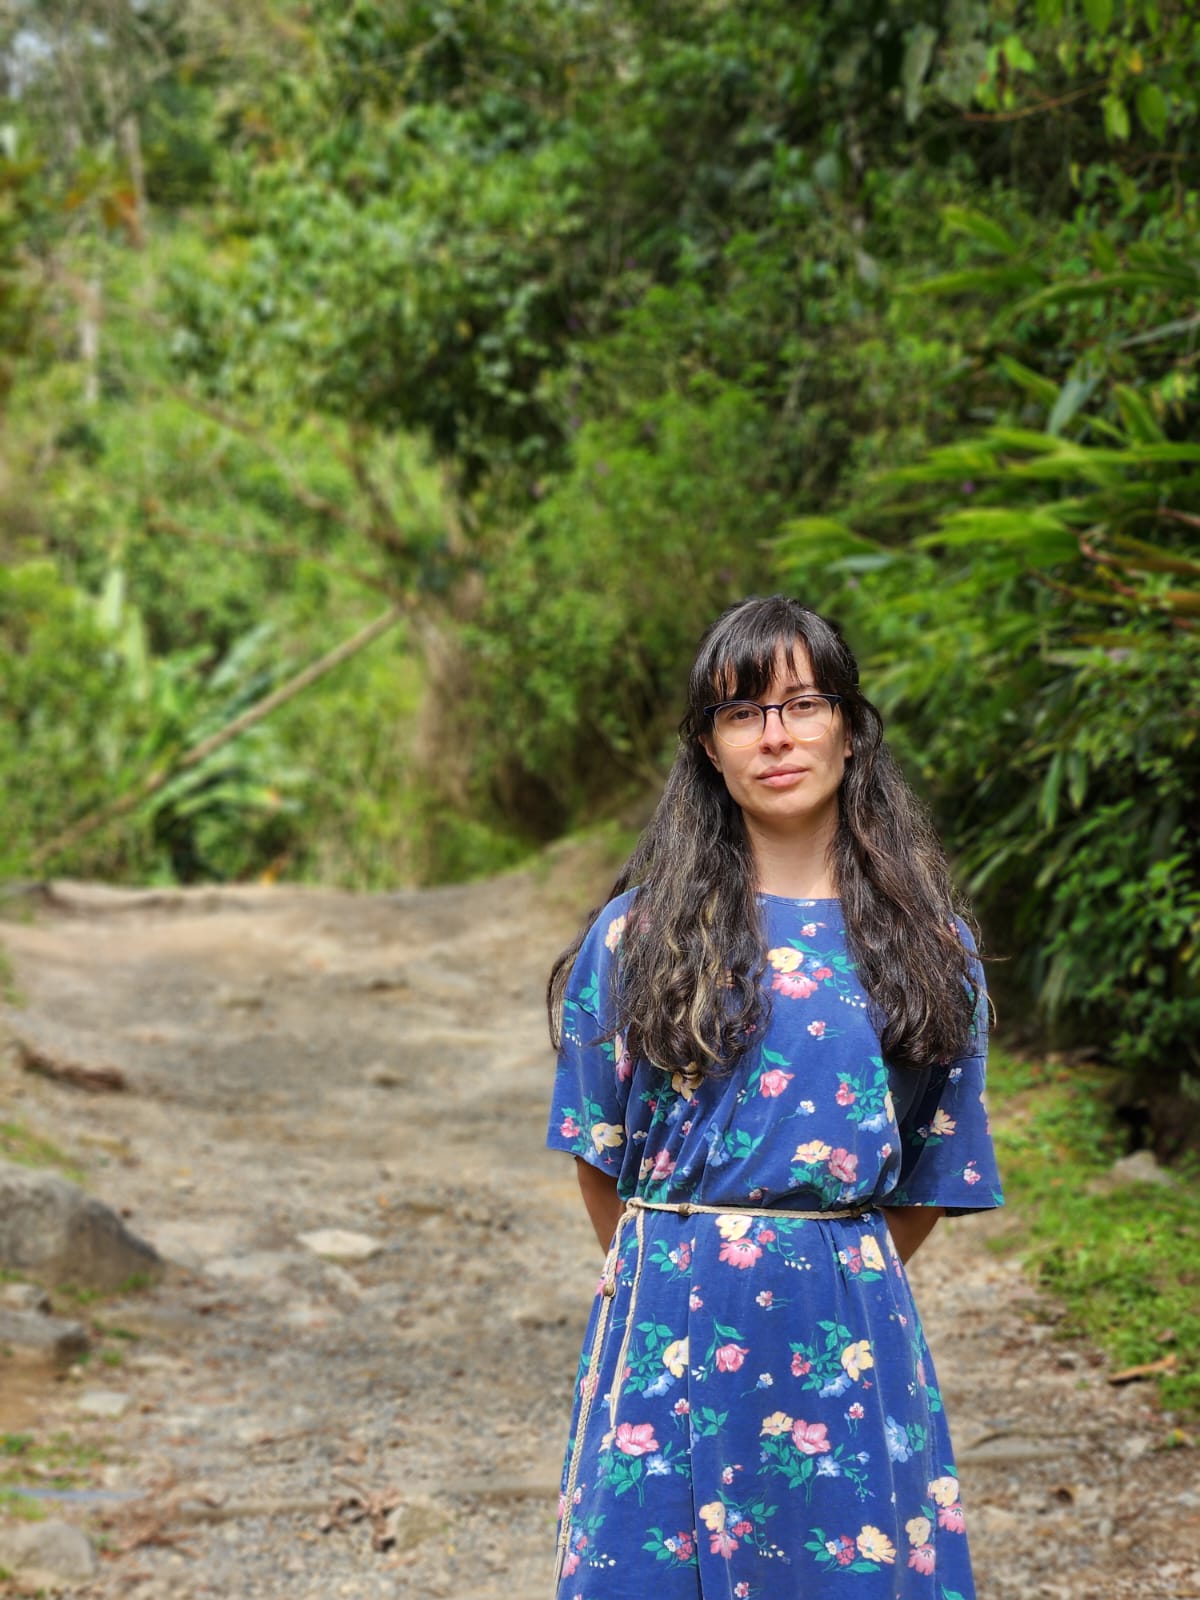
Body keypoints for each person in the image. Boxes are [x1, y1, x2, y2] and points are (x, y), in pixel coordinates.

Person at [544, 595, 1003, 1599]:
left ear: (850, 727)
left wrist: (815, 1262)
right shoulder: (638, 936)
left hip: (845, 1321)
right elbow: (599, 1150)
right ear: (709, 748)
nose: (777, 735)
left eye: (803, 703)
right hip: (668, 1316)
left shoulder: (931, 949)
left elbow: (932, 1163)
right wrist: (687, 1263)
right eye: (742, 712)